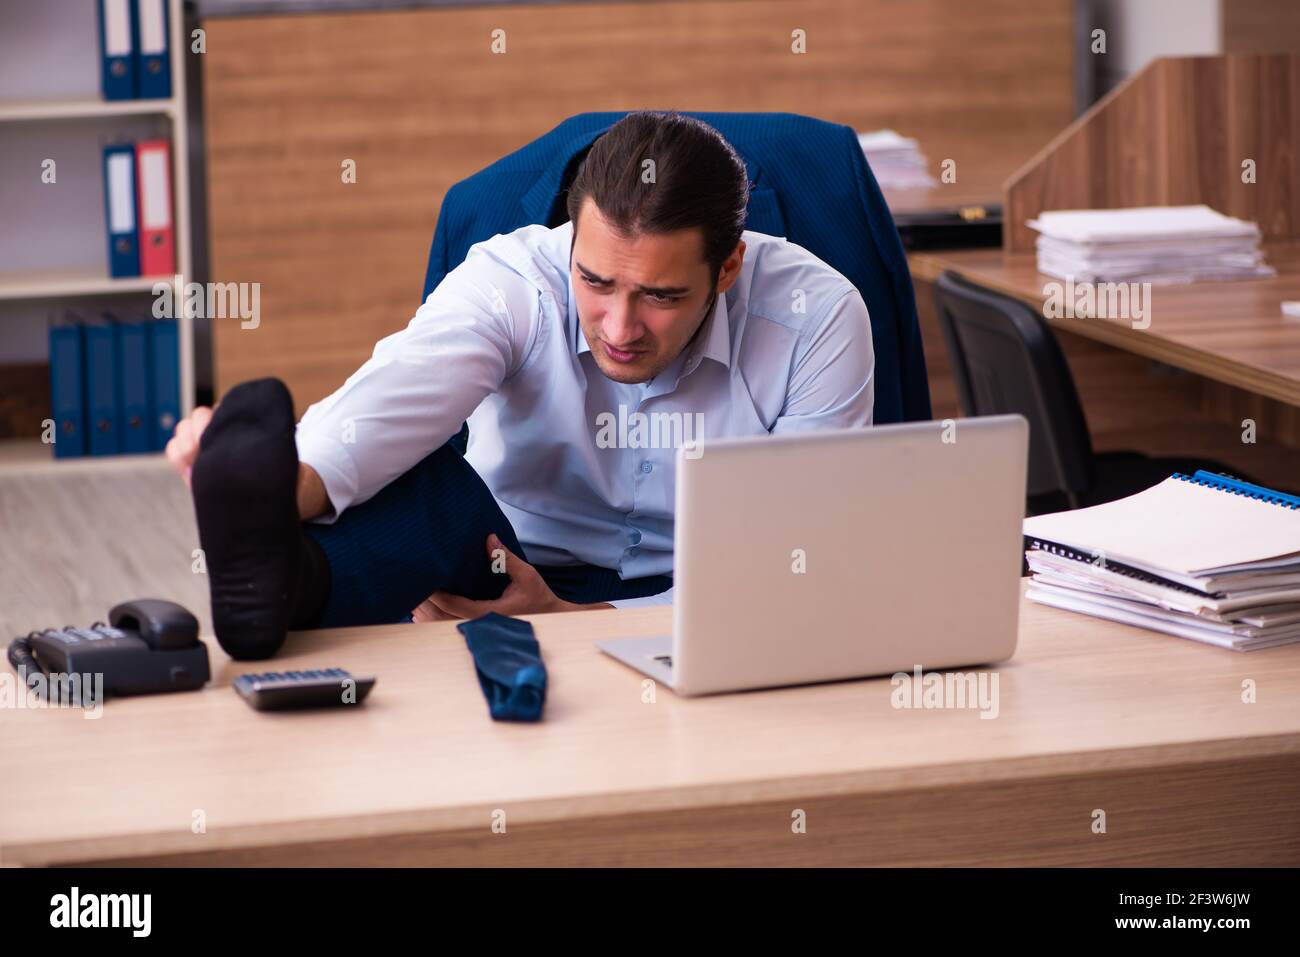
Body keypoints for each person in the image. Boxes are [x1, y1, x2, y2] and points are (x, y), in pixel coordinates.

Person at [166, 110, 875, 660]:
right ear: (570, 238)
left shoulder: (818, 316)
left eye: (658, 294)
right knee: (423, 493)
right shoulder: (514, 279)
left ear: (727, 270)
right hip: (509, 562)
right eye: (595, 281)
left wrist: (578, 623)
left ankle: (294, 576)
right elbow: (395, 396)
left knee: (797, 590)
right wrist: (274, 485)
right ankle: (283, 572)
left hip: (718, 586)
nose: (620, 325)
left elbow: (794, 554)